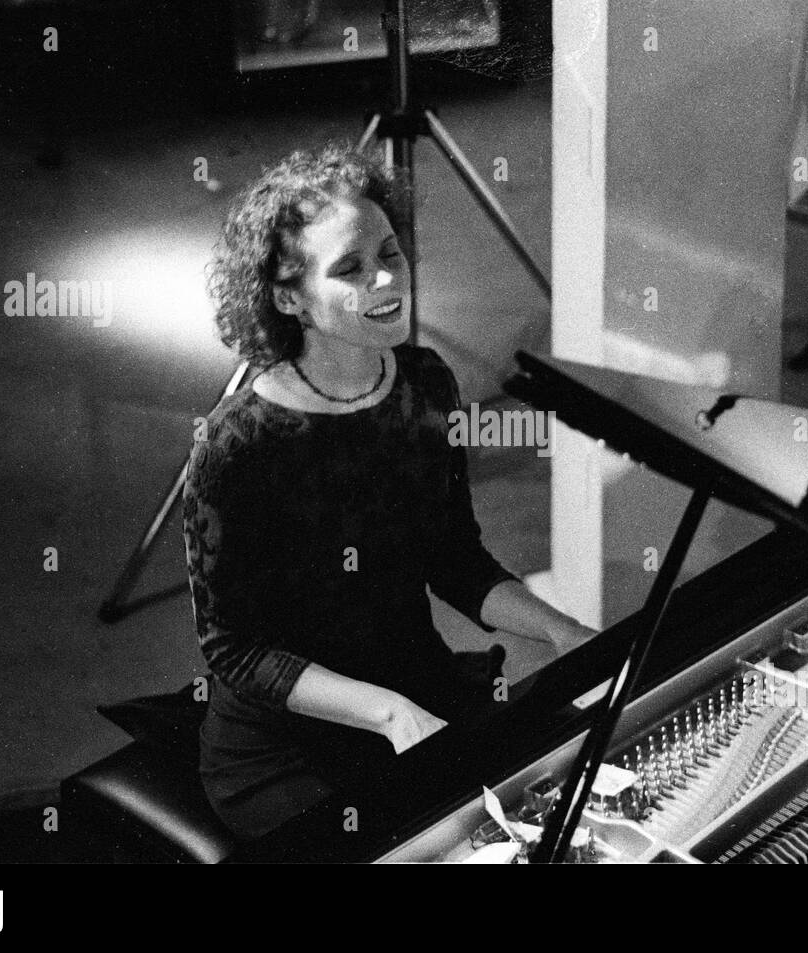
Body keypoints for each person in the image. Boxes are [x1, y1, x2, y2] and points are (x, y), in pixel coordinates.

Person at [183, 144, 597, 839]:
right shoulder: (237, 446)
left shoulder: (426, 383)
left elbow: (456, 559)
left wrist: (563, 628)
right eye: (350, 268)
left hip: (418, 688)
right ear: (289, 298)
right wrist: (388, 712)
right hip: (287, 746)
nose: (386, 279)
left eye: (391, 253)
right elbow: (234, 649)